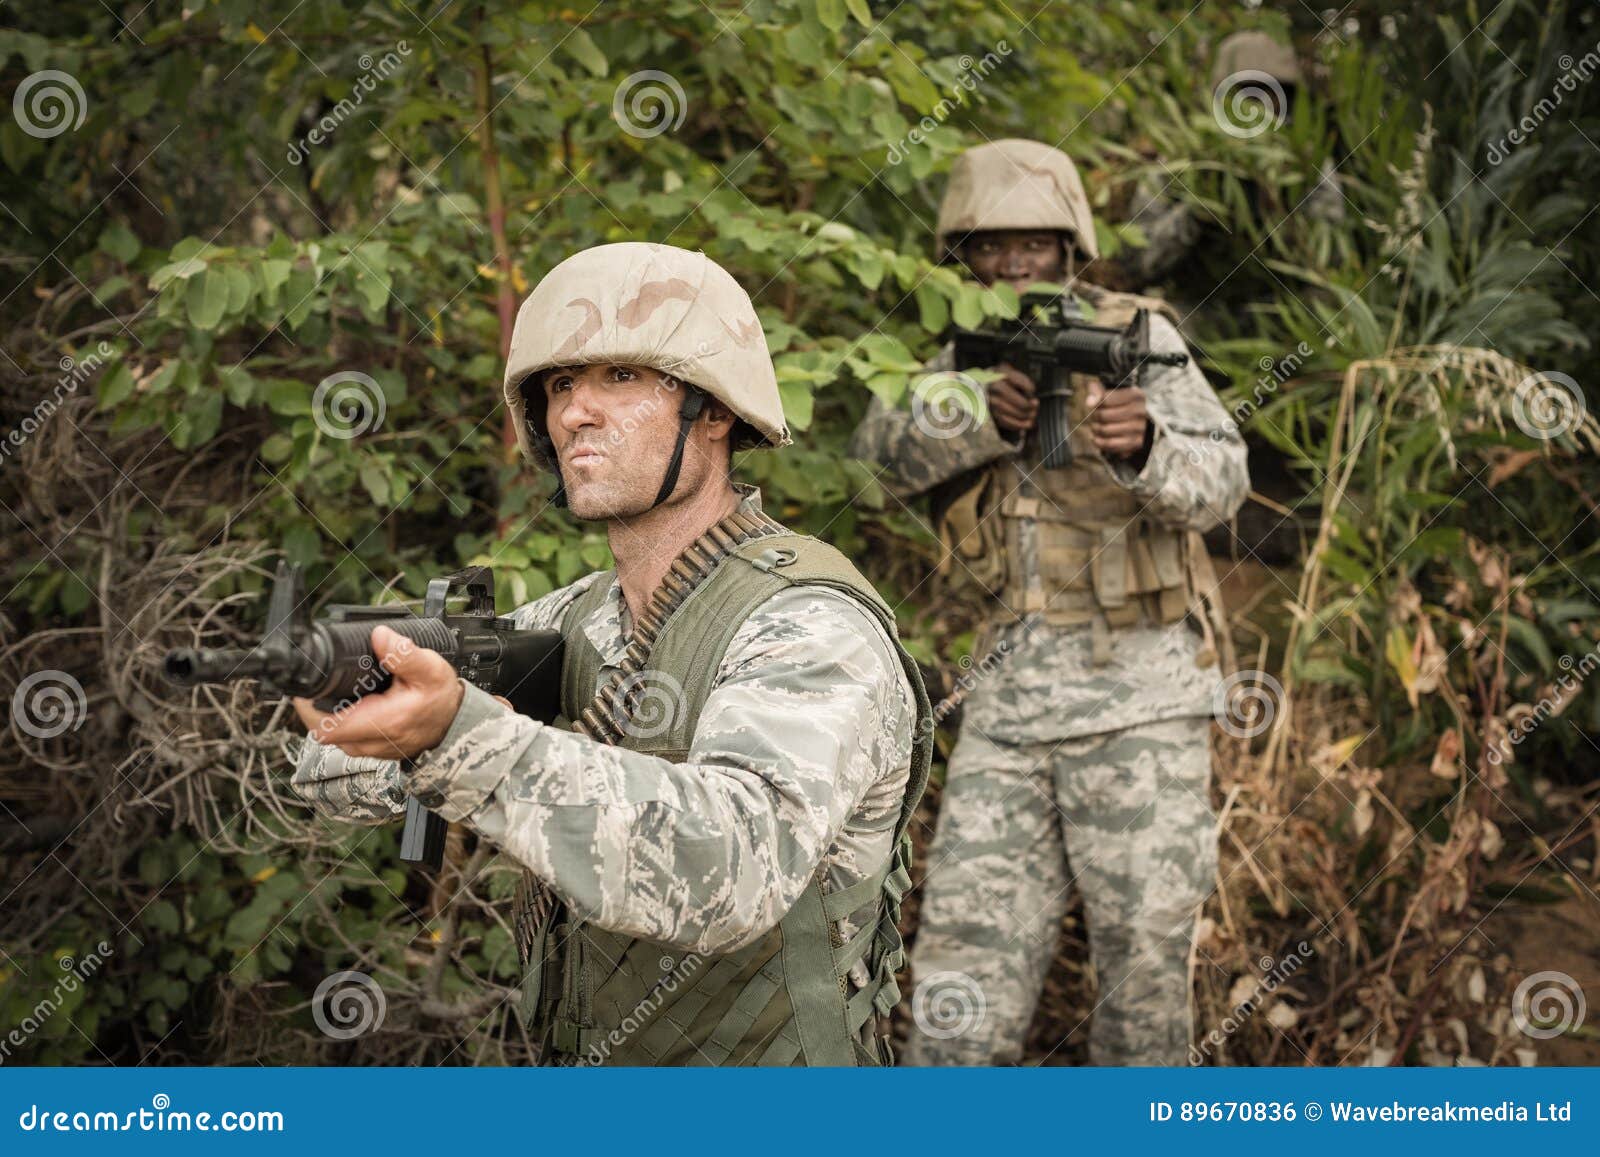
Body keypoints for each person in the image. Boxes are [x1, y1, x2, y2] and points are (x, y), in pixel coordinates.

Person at [291, 241, 931, 1066]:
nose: (574, 413)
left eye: (619, 378)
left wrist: (460, 735)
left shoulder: (809, 627)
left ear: (714, 406)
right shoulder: (583, 618)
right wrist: (359, 703)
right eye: (559, 385)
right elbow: (321, 780)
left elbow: (730, 871)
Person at [849, 139, 1248, 1065]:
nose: (1015, 261)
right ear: (964, 256)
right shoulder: (958, 354)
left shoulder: (1141, 338)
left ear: (1071, 245)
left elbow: (1225, 479)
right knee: (960, 980)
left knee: (1144, 989)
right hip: (1008, 713)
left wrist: (1146, 444)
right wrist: (970, 418)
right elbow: (869, 467)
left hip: (1141, 705)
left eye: (1034, 241)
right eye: (992, 245)